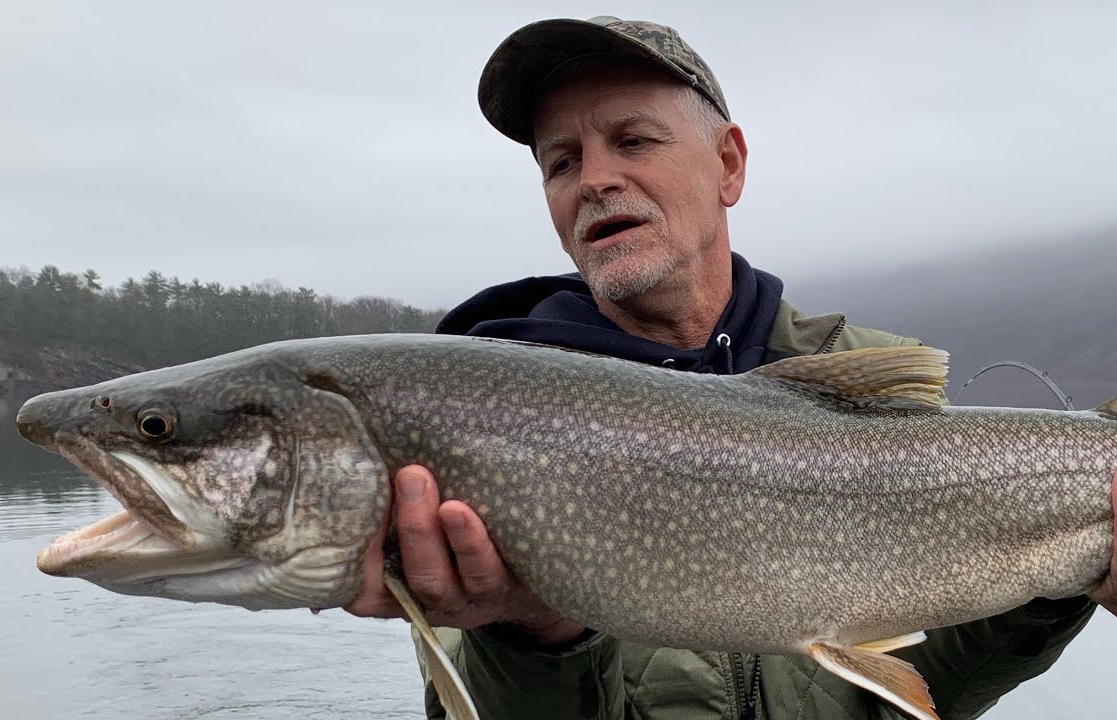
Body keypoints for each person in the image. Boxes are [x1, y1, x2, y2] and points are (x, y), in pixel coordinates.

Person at [344, 15, 1115, 720]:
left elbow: (928, 688)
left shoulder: (861, 372)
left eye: (633, 141)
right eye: (561, 162)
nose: (594, 180)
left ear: (729, 165)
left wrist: (1058, 584)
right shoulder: (475, 418)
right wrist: (532, 631)